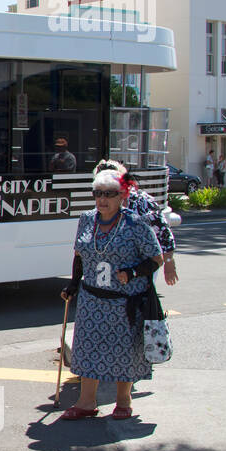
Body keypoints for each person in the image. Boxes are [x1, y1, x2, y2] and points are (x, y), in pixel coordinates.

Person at [59, 169, 163, 419]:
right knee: (87, 349)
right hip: (92, 299)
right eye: (98, 194)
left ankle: (123, 402)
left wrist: (133, 271)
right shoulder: (86, 219)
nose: (102, 199)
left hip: (123, 302)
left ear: (122, 196)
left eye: (109, 194)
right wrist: (73, 283)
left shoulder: (135, 224)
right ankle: (86, 402)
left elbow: (156, 258)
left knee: (123, 352)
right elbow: (79, 256)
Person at [94, 159, 178, 286]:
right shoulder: (99, 207)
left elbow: (164, 233)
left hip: (141, 268)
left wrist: (169, 263)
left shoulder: (142, 202)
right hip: (110, 271)